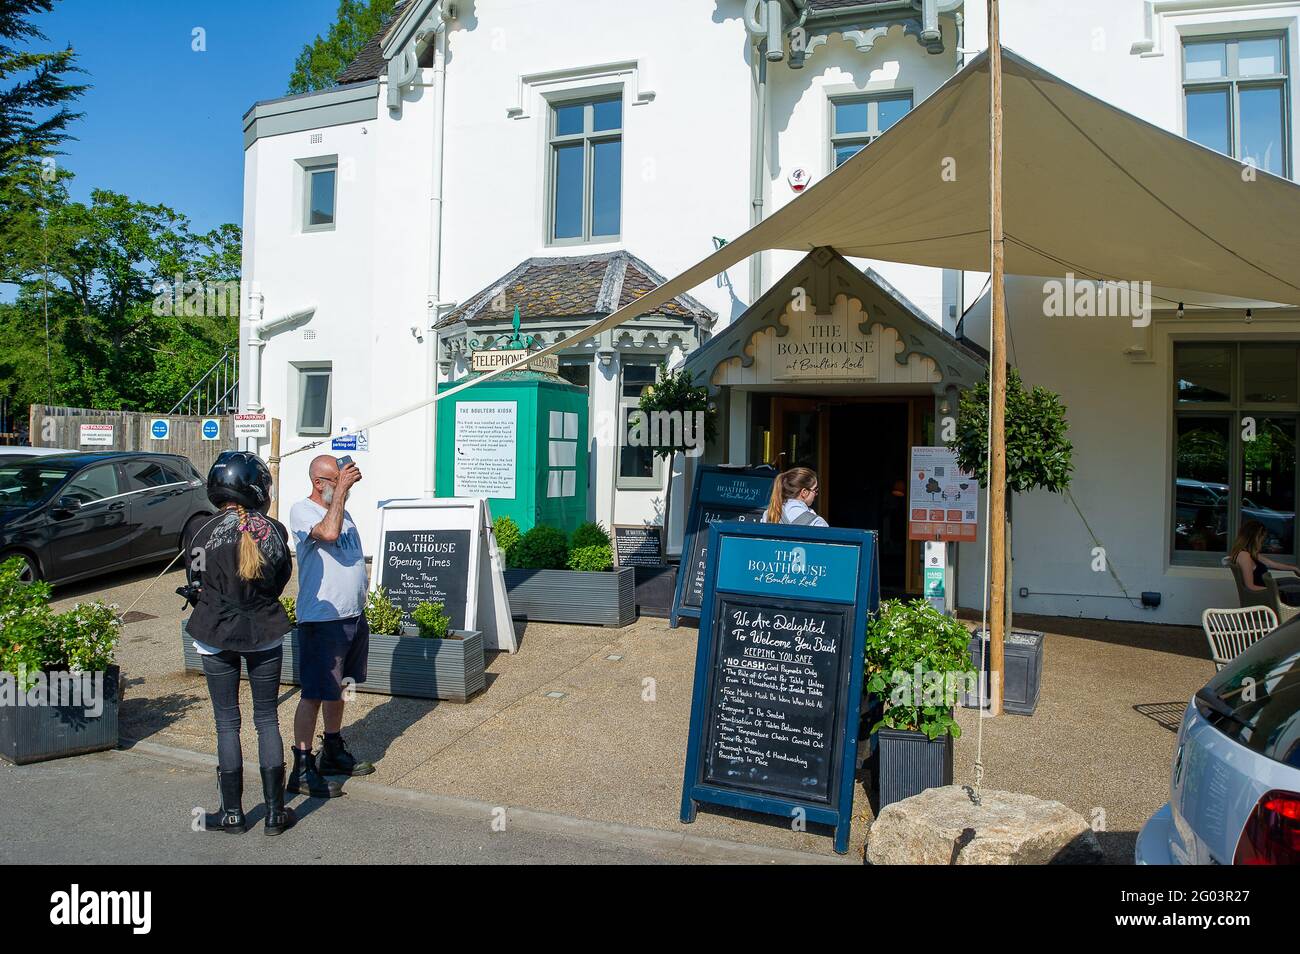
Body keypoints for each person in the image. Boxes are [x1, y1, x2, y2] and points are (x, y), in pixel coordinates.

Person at [184, 451, 295, 836]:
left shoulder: (199, 529)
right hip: (264, 630)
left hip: (215, 632)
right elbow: (280, 581)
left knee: (227, 723)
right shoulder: (275, 531)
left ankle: (231, 814)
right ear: (255, 486)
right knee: (267, 720)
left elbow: (196, 583)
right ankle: (276, 813)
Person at [287, 455, 375, 798]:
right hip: (322, 620)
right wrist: (340, 494)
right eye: (336, 481)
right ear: (319, 483)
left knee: (340, 687)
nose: (345, 488)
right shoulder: (302, 510)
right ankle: (302, 766)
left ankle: (333, 749)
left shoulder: (343, 509)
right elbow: (329, 532)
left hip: (351, 615)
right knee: (314, 693)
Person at [1232, 518, 1300, 606]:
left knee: (1294, 581)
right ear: (1255, 537)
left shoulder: (1250, 553)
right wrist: (1276, 591)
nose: (1262, 542)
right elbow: (1250, 586)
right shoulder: (1244, 556)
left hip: (1268, 590)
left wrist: (1294, 568)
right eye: (1262, 539)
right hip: (1266, 596)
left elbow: (1272, 564)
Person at [764, 466, 829, 527]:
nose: (816, 494)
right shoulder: (817, 522)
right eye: (815, 490)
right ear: (804, 492)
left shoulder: (769, 515)